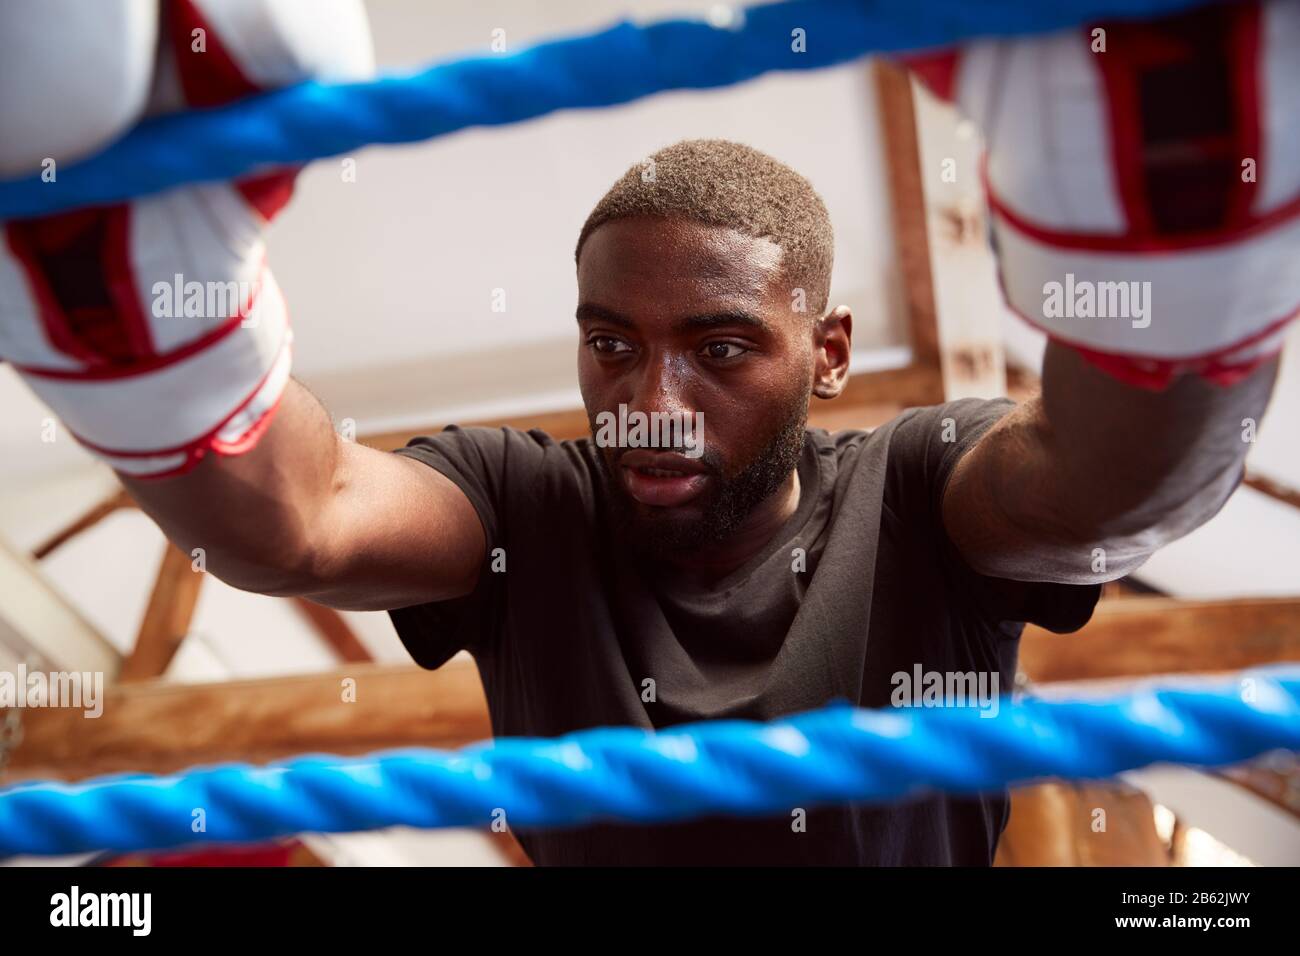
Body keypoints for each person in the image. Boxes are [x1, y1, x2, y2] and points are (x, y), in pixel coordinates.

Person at [1, 3, 1288, 864]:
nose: (650, 399)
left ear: (829, 353)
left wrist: (1153, 250)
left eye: (719, 348)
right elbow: (296, 522)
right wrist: (155, 328)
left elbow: (1103, 488)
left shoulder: (910, 488)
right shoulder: (527, 504)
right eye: (611, 343)